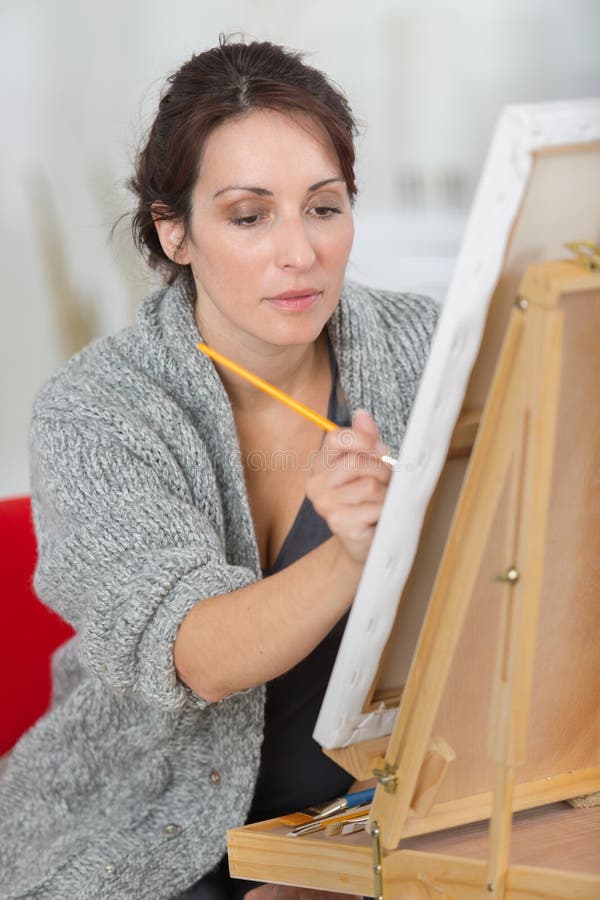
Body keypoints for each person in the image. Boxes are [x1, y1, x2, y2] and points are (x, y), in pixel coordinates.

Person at [0, 37, 438, 899]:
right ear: (176, 231)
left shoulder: (427, 347)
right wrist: (351, 554)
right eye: (249, 215)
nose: (299, 252)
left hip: (369, 828)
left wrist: (339, 864)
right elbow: (195, 655)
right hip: (137, 840)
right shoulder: (97, 408)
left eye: (324, 207)